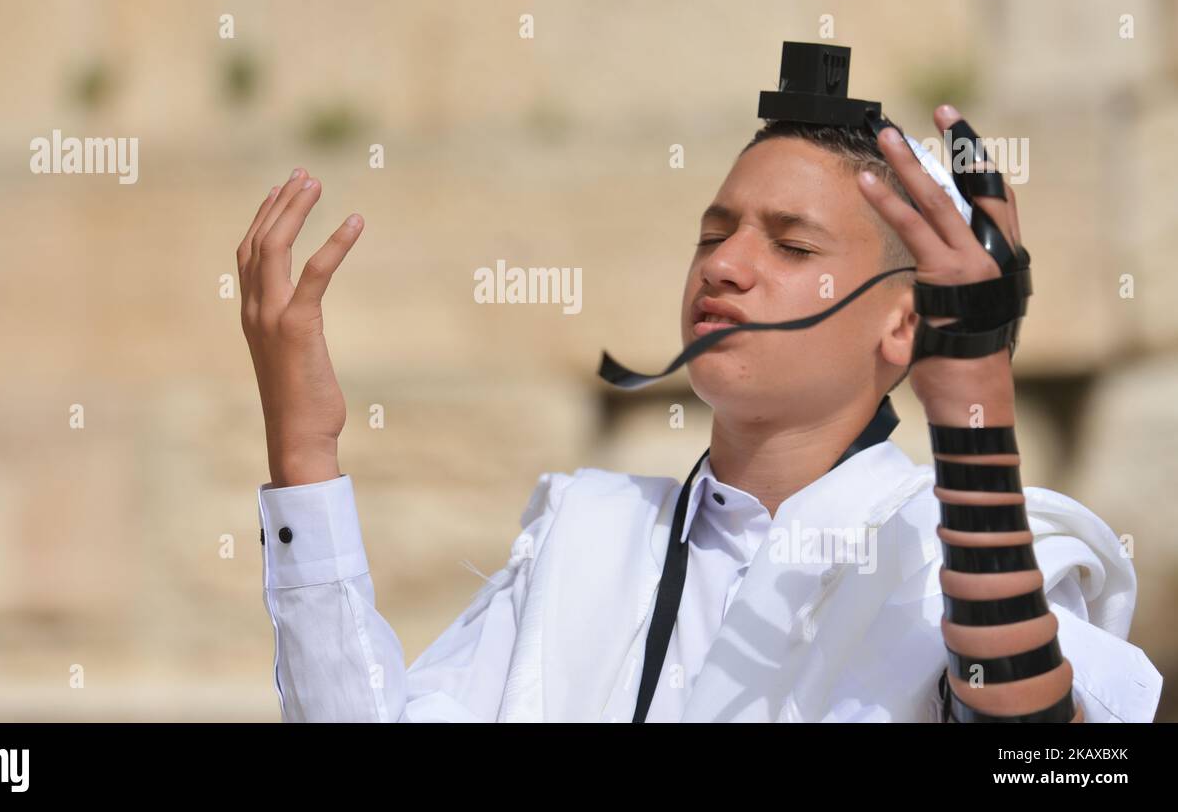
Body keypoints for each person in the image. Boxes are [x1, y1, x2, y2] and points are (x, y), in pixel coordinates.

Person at [236, 100, 1162, 722]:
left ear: (902, 326)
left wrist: (973, 407)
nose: (724, 264)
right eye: (714, 234)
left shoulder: (953, 553)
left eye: (792, 245)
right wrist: (305, 452)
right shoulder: (585, 535)